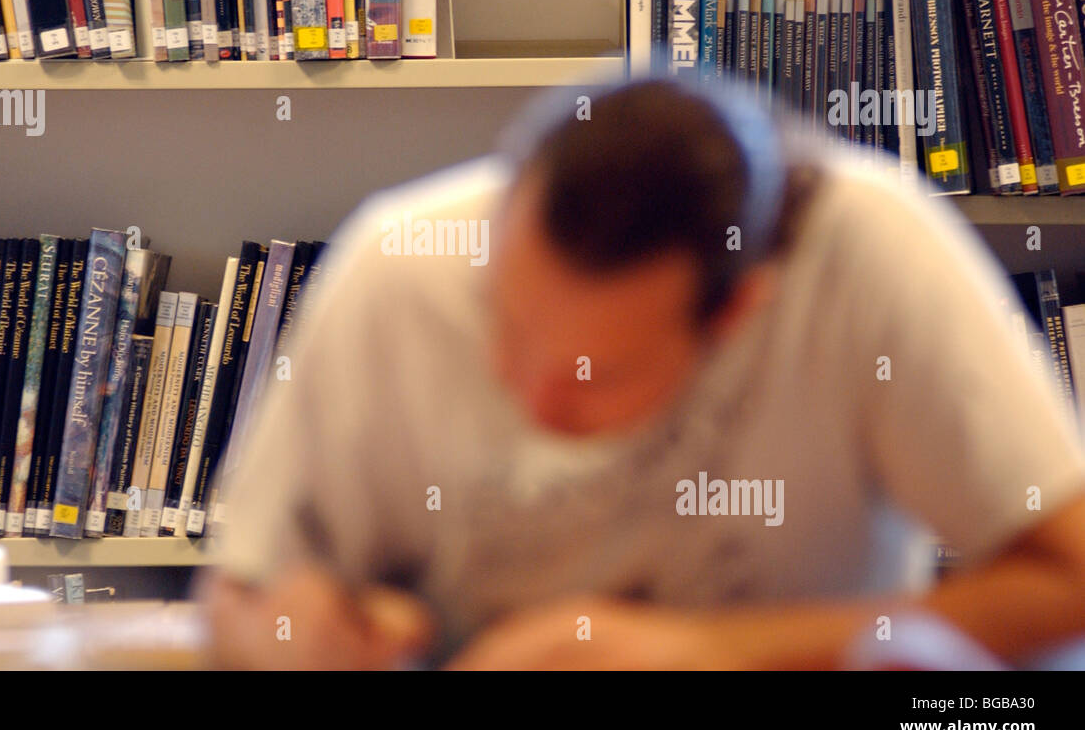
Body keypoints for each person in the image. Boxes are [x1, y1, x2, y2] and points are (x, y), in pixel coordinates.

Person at [198, 74, 1085, 670]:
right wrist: (295, 635)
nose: (532, 394)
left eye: (594, 372)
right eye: (506, 328)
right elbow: (234, 596)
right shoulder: (400, 261)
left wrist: (707, 653)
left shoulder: (869, 252)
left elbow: (1071, 585)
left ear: (736, 314)